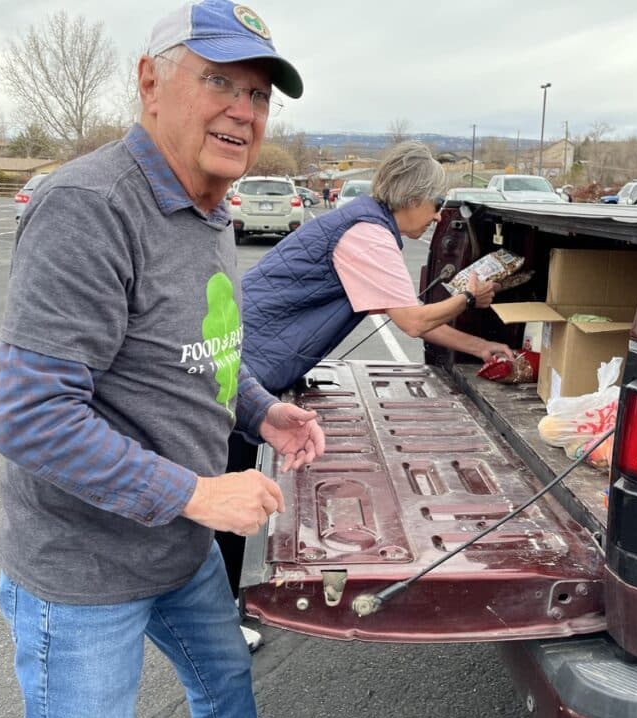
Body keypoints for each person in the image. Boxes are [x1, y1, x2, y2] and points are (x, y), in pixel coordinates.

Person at [0, 2, 319, 718]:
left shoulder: (209, 206)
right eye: (220, 82)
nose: (244, 110)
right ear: (150, 82)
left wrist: (266, 414)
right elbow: (31, 418)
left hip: (177, 549)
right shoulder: (89, 206)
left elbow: (199, 353)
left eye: (260, 95)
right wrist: (201, 495)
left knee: (225, 683)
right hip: (84, 572)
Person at [215, 141, 515, 607]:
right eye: (437, 205)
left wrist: (482, 346)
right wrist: (468, 299)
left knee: (234, 491)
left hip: (244, 358)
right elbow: (414, 322)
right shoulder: (368, 235)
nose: (438, 217)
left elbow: (410, 314)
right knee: (230, 500)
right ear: (413, 197)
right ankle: (224, 612)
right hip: (238, 367)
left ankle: (223, 603)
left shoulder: (365, 225)